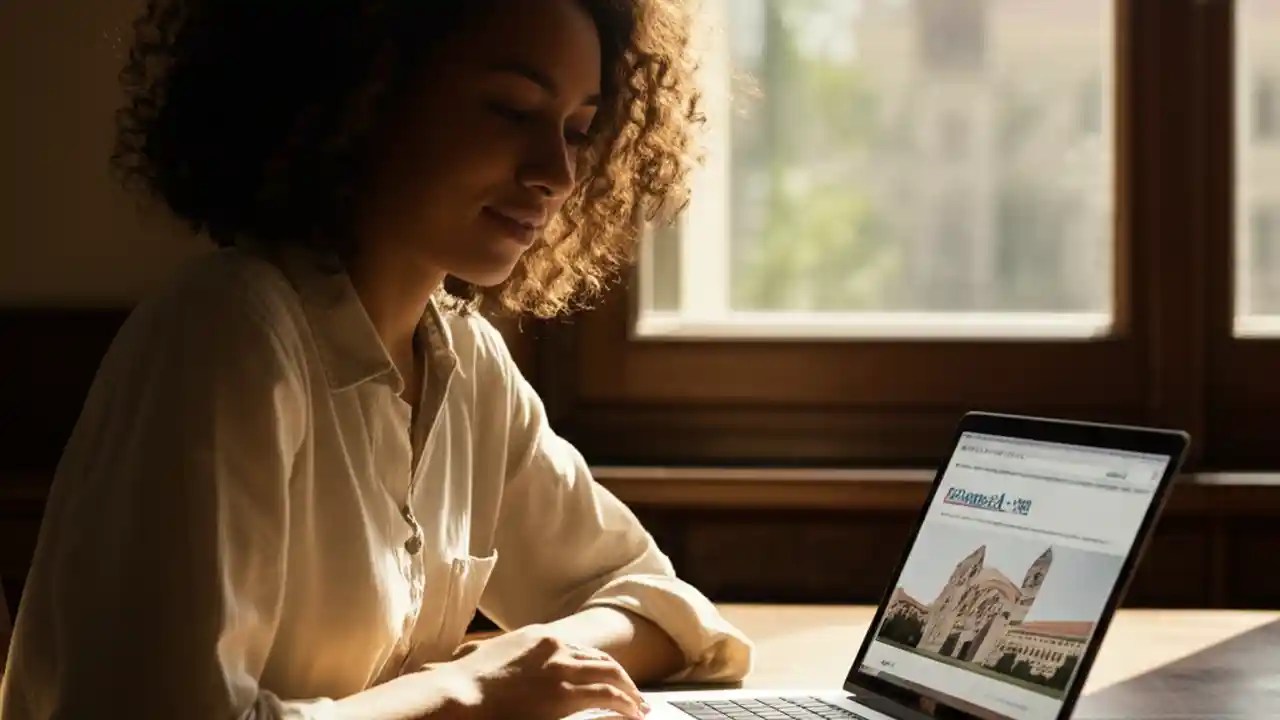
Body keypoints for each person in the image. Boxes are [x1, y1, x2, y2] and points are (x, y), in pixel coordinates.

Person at [0, 1, 753, 718]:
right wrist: (469, 693)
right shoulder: (230, 336)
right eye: (511, 111)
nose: (555, 172)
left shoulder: (468, 363)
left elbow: (660, 605)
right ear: (360, 95)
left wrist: (521, 656)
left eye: (579, 128)